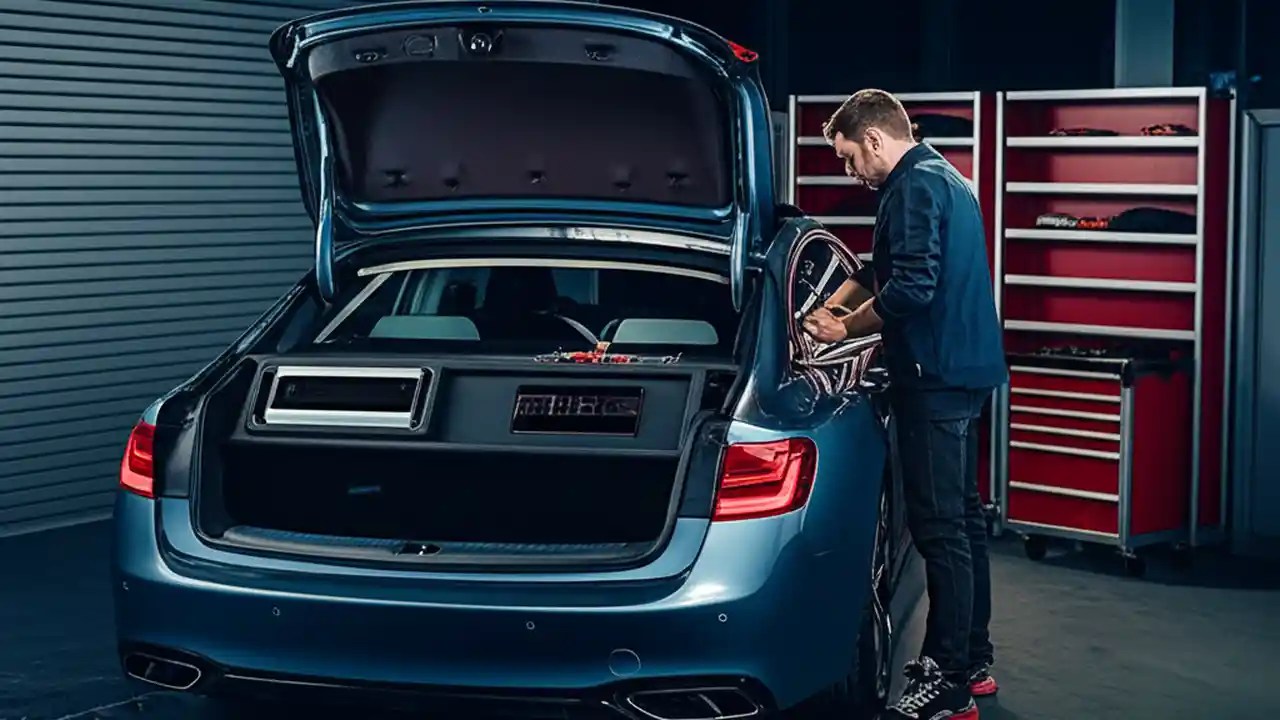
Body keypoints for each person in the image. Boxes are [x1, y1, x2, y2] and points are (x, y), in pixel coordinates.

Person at [802, 89, 1007, 720]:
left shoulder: (912, 186)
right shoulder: (941, 174)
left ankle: (947, 683)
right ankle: (972, 661)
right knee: (963, 521)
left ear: (873, 139)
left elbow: (912, 287)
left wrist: (845, 328)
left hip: (935, 376)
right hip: (964, 370)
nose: (850, 172)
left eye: (848, 158)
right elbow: (883, 266)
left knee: (940, 528)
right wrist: (834, 302)